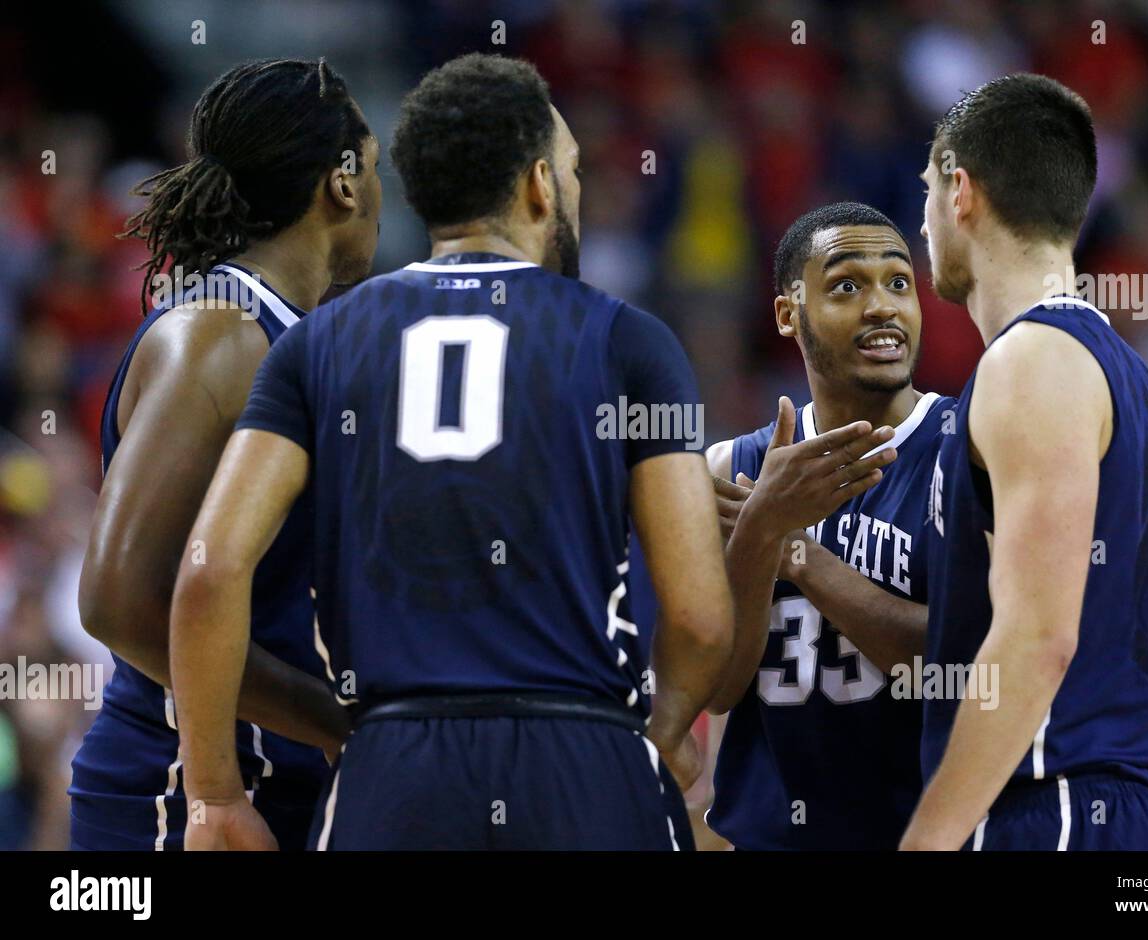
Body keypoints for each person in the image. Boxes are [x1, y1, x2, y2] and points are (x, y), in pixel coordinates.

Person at [171, 54, 755, 850]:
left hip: (392, 768)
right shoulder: (630, 342)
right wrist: (652, 734)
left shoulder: (316, 347)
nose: (577, 192)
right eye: (575, 171)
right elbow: (696, 618)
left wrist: (213, 794)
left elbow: (208, 570)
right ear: (540, 186)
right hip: (585, 762)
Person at [70, 58, 381, 851]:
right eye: (377, 169)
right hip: (179, 799)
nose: (385, 195)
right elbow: (119, 600)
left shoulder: (298, 339)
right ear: (342, 185)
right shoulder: (219, 334)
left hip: (279, 788)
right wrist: (333, 722)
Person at [903, 74, 1148, 850]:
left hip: (1055, 815)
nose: (923, 220)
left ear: (960, 191)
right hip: (1125, 818)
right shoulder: (1122, 372)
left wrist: (928, 839)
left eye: (928, 189)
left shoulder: (1031, 362)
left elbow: (1038, 639)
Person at [703, 202, 950, 849]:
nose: (882, 307)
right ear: (788, 313)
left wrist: (794, 553)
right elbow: (718, 686)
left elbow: (954, 663)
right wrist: (757, 540)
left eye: (899, 283)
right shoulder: (730, 467)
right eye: (847, 286)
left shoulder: (968, 449)